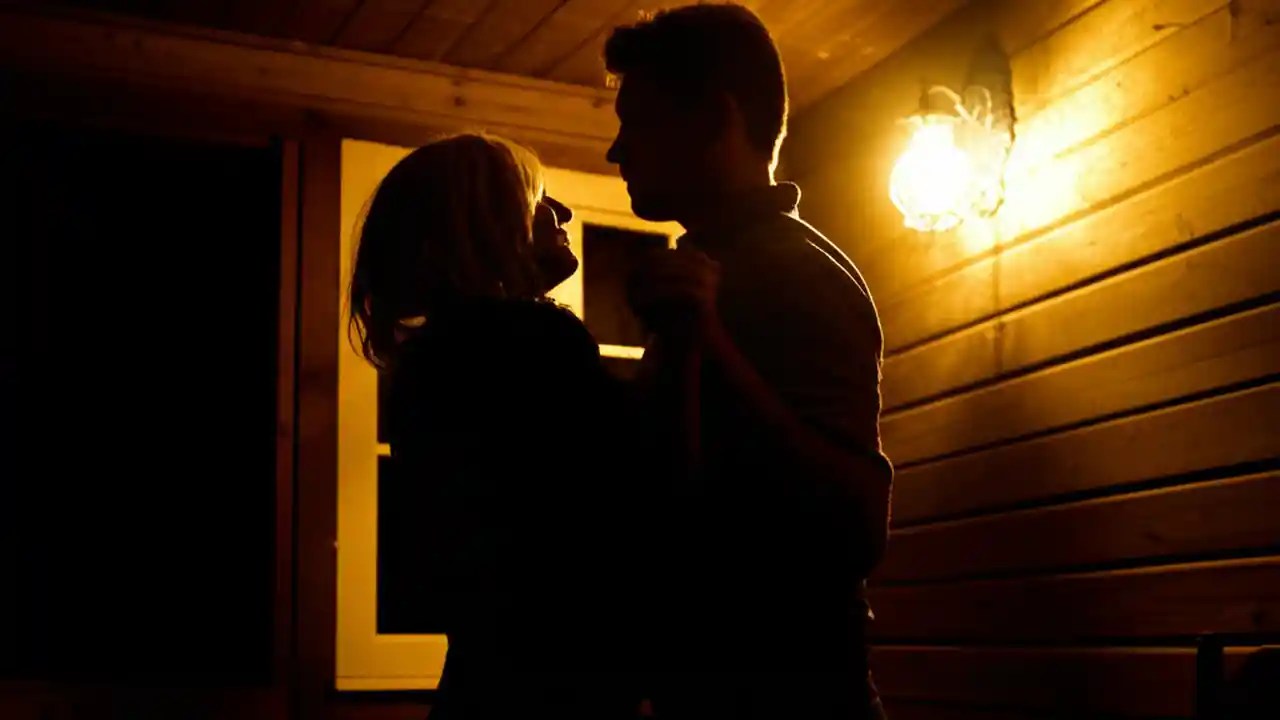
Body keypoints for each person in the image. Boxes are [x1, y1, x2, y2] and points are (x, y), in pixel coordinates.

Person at [604, 5, 894, 719]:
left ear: (712, 119)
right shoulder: (718, 266)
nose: (616, 152)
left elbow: (856, 527)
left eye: (636, 121)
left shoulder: (794, 274)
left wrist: (709, 344)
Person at [347, 132, 645, 720]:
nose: (561, 213)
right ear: (484, 224)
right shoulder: (533, 345)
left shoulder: (433, 360)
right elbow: (640, 491)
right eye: (536, 198)